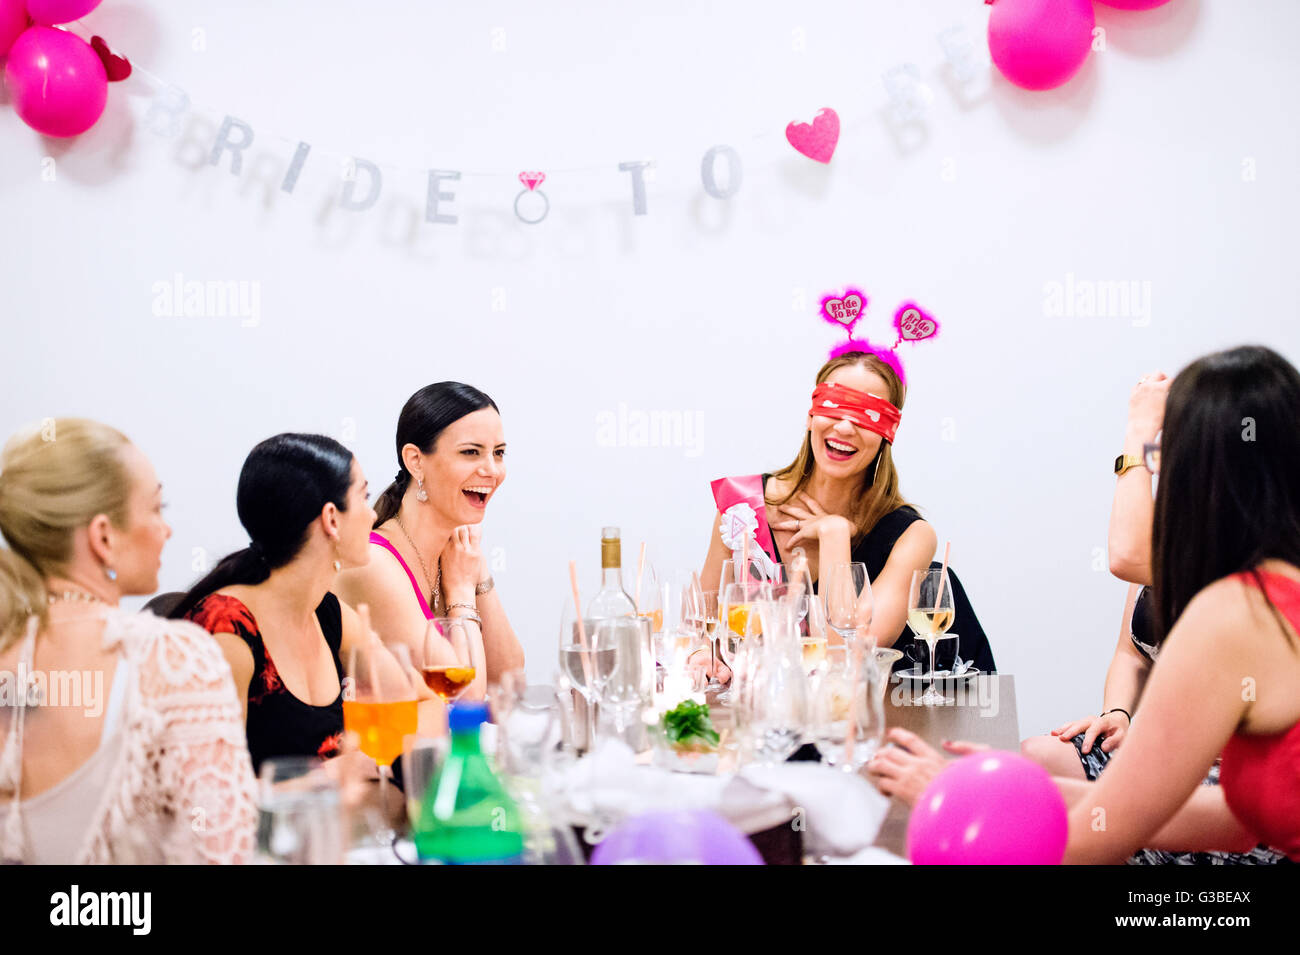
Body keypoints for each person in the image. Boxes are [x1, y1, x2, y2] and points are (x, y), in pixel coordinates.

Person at [873, 346, 1300, 863]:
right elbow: (1232, 820)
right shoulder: (1273, 589)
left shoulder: (1235, 613)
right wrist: (1009, 785)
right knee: (1034, 757)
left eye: (1164, 453)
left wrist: (959, 798)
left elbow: (1098, 841)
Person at [0, 419, 256, 863]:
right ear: (102, 536)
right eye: (158, 508)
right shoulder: (172, 659)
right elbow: (223, 852)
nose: (167, 530)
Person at [172, 433, 429, 773]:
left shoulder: (328, 612)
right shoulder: (227, 631)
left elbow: (424, 702)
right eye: (363, 497)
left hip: (337, 823)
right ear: (331, 519)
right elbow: (212, 796)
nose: (371, 515)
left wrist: (375, 759)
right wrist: (346, 772)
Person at [699, 351, 938, 657]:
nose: (845, 428)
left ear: (887, 434)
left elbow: (849, 653)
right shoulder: (741, 508)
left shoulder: (911, 536)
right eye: (835, 407)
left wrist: (834, 535)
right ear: (811, 416)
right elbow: (702, 626)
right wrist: (702, 652)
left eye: (867, 415)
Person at [336, 383, 524, 692]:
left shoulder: (458, 552)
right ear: (415, 461)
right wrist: (462, 591)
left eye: (499, 453)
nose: (492, 470)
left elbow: (509, 682)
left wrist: (477, 571)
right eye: (471, 452)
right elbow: (465, 700)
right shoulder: (373, 564)